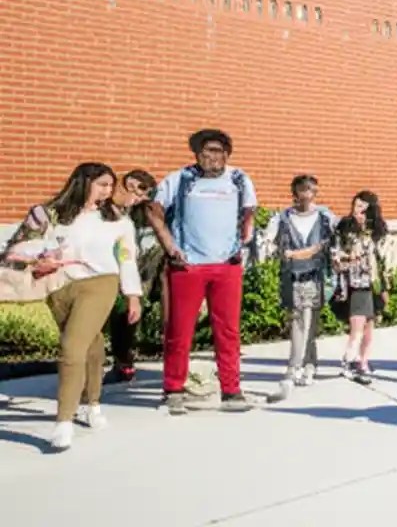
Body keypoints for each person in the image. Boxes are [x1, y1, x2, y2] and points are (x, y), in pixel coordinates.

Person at [2, 163, 143, 451]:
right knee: (91, 345)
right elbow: (16, 248)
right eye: (102, 184)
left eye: (109, 185)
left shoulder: (117, 220)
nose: (107, 191)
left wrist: (132, 294)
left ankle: (63, 422)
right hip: (58, 285)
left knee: (71, 346)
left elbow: (127, 258)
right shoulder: (51, 213)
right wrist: (40, 257)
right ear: (83, 183)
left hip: (101, 282)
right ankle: (91, 403)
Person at [148, 128, 258, 415]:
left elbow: (249, 213)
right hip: (188, 266)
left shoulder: (238, 179)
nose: (213, 157)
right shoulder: (180, 179)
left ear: (227, 154)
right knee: (180, 330)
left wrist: (243, 241)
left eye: (219, 151)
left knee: (229, 331)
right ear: (197, 154)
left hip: (227, 267)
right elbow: (153, 211)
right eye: (207, 151)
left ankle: (232, 390)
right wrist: (170, 246)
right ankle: (173, 389)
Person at [266, 175, 337, 401]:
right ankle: (295, 365)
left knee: (311, 321)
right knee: (297, 321)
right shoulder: (283, 217)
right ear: (295, 193)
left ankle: (309, 364)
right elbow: (269, 241)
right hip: (291, 276)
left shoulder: (325, 216)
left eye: (312, 189)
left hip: (316, 275)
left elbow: (336, 242)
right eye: (303, 189)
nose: (308, 194)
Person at [105, 169, 159, 384]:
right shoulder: (103, 212)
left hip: (124, 274)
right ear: (129, 184)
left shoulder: (128, 215)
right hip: (104, 273)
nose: (136, 201)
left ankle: (123, 364)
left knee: (125, 320)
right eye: (136, 195)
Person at [331, 191, 391, 385]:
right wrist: (348, 258)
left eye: (361, 208)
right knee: (356, 326)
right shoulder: (345, 228)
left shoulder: (378, 231)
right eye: (355, 206)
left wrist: (386, 287)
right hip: (354, 283)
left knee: (369, 329)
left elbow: (384, 261)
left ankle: (363, 362)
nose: (356, 211)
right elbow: (335, 254)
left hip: (373, 284)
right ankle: (347, 362)